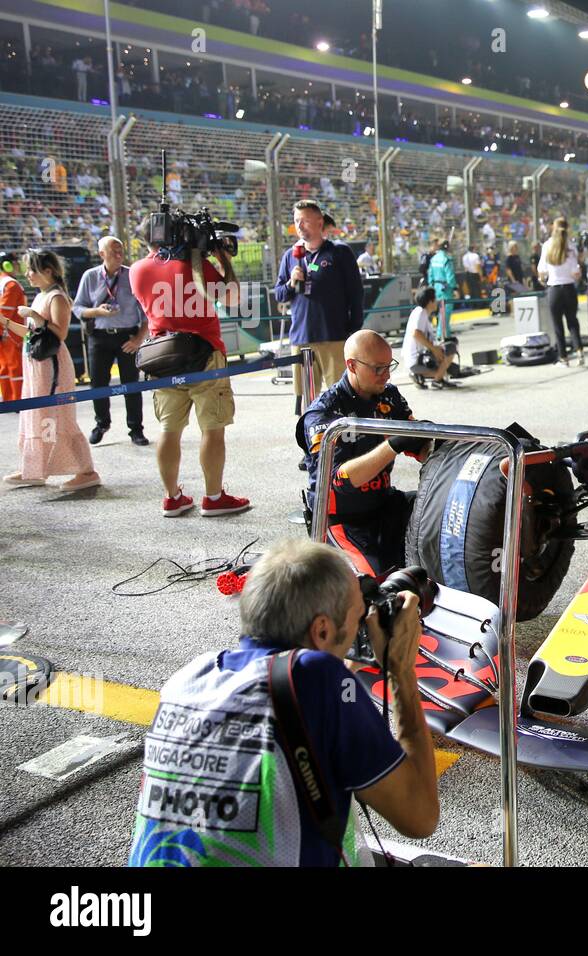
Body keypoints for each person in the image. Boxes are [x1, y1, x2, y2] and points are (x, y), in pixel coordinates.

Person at [127, 538, 440, 867]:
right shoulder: (319, 682)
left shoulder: (186, 681)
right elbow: (420, 818)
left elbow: (284, 705)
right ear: (321, 630)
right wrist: (400, 671)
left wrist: (340, 668)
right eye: (358, 618)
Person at [130, 231, 248, 516]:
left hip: (162, 357)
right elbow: (231, 298)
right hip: (204, 353)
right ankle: (214, 497)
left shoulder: (137, 270)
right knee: (212, 428)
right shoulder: (195, 266)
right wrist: (222, 259)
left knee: (169, 429)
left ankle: (172, 497)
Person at [297, 330, 429, 577]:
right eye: (378, 368)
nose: (387, 375)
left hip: (385, 504)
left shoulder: (389, 395)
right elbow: (340, 481)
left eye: (389, 366)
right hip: (341, 521)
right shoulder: (325, 414)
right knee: (375, 585)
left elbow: (418, 449)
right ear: (352, 365)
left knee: (439, 514)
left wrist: (431, 440)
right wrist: (393, 445)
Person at [3, 250, 99, 491]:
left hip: (52, 365)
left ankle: (87, 471)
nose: (28, 275)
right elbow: (30, 333)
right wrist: (5, 322)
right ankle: (34, 469)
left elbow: (60, 333)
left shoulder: (56, 297)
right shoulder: (40, 295)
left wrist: (34, 315)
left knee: (59, 417)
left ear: (48, 271)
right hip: (35, 363)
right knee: (35, 416)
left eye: (32, 270)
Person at [274, 200, 365, 410]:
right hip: (302, 338)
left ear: (319, 221)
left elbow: (355, 292)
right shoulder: (290, 256)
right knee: (307, 400)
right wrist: (291, 282)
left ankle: (344, 438)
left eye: (305, 220)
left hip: (333, 336)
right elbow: (279, 294)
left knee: (341, 397)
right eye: (297, 221)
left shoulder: (339, 252)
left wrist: (352, 329)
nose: (300, 226)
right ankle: (310, 439)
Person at [72, 236, 148, 446]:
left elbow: (146, 311)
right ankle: (101, 423)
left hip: (127, 337)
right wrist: (95, 312)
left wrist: (139, 338)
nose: (118, 253)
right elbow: (77, 307)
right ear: (101, 254)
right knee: (98, 383)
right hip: (100, 337)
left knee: (131, 384)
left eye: (120, 249)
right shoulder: (90, 276)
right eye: (113, 250)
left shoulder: (132, 275)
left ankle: (136, 429)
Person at [538, 216, 584, 366]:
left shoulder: (547, 246)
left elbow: (542, 270)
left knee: (558, 325)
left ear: (553, 228)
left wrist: (541, 279)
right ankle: (579, 352)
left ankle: (563, 358)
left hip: (554, 289)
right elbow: (576, 272)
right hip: (569, 288)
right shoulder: (570, 247)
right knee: (572, 321)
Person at [402, 287, 455, 388]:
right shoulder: (421, 312)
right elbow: (416, 333)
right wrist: (434, 349)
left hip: (416, 358)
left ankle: (419, 375)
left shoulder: (421, 313)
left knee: (448, 368)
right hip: (416, 359)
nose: (437, 301)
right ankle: (437, 380)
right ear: (430, 301)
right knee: (451, 347)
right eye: (435, 299)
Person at [0, 255, 26, 401]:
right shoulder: (11, 285)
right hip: (11, 333)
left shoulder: (2, 282)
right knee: (16, 368)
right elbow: (5, 312)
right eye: (15, 263)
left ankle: (9, 399)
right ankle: (18, 400)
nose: (18, 265)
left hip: (4, 333)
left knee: (4, 368)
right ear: (7, 265)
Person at [424, 236, 456, 341]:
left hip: (436, 289)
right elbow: (450, 277)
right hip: (446, 290)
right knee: (445, 314)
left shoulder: (434, 259)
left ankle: (447, 334)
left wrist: (432, 286)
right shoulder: (447, 260)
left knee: (441, 313)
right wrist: (454, 288)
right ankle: (440, 335)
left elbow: (430, 275)